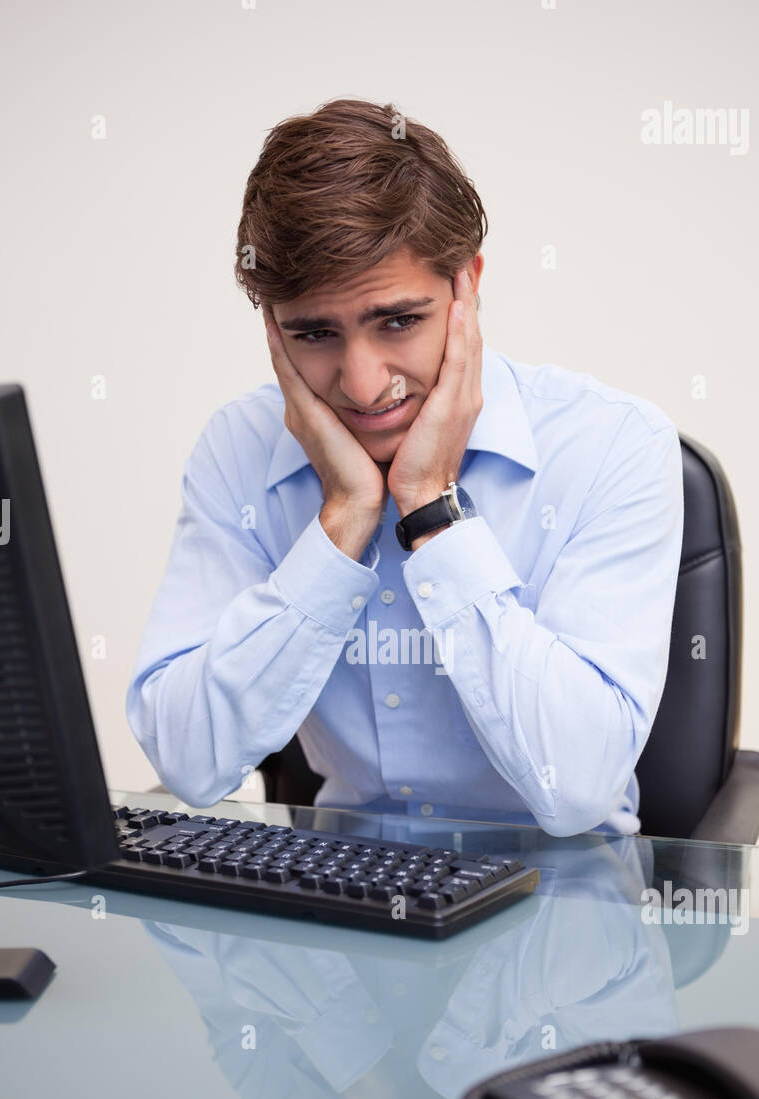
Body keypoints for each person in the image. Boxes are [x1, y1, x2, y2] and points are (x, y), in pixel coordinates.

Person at [126, 97, 683, 837]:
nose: (362, 384)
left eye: (397, 321)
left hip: (567, 905)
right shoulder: (240, 449)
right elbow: (189, 763)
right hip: (339, 904)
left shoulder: (614, 444)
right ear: (272, 328)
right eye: (315, 333)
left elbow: (577, 789)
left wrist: (429, 506)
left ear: (467, 287)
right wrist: (344, 520)